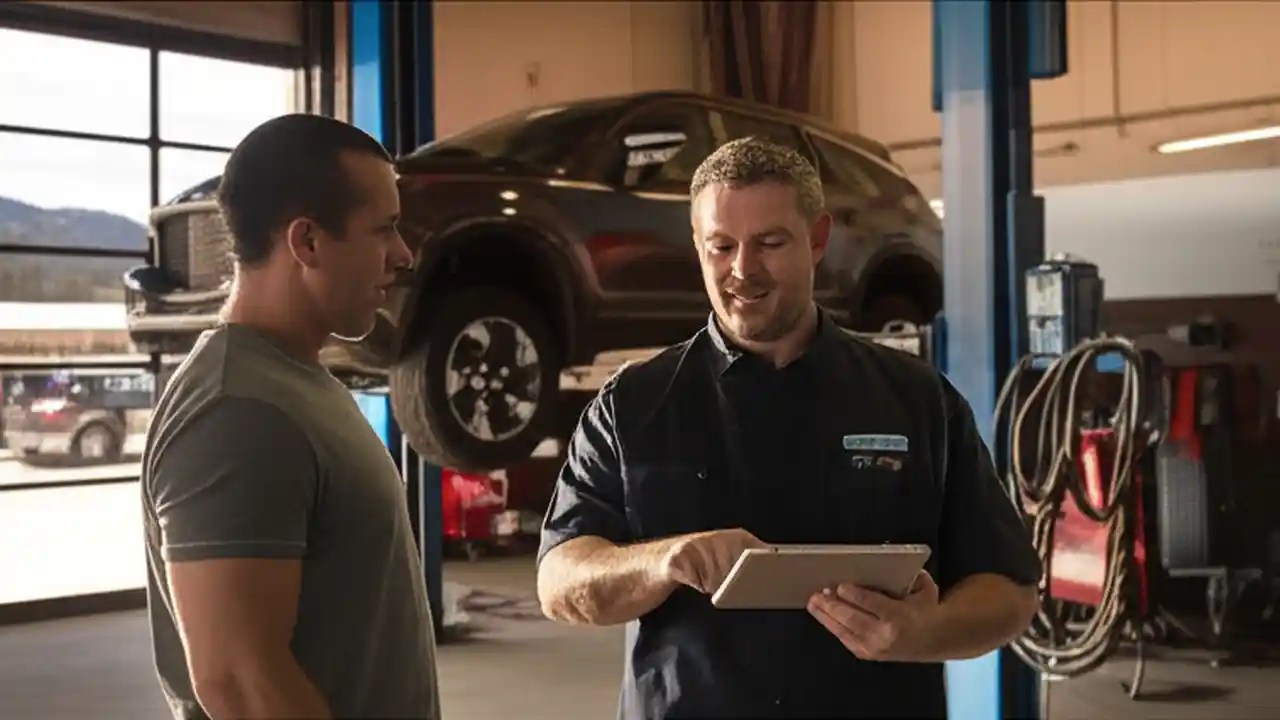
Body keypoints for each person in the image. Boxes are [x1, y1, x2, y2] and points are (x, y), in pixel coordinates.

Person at [535, 136, 1042, 719]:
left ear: (818, 238)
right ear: (697, 246)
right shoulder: (633, 405)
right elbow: (559, 581)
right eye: (720, 247)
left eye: (770, 243)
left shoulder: (914, 399)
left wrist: (922, 633)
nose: (743, 270)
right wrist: (664, 559)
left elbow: (1009, 589)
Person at [140, 114, 437, 720]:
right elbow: (241, 685)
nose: (402, 255)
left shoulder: (292, 382)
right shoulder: (239, 412)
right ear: (306, 242)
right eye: (383, 230)